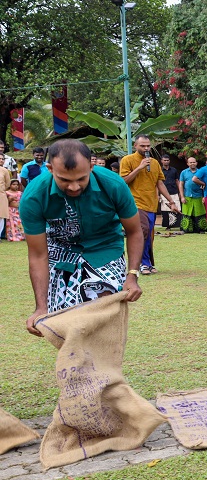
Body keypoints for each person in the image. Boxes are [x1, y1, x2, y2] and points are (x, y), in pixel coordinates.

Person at [20, 139, 143, 334]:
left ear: (91, 167)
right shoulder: (34, 196)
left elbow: (135, 231)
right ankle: (74, 363)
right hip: (60, 252)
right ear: (50, 168)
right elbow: (38, 255)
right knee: (64, 324)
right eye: (65, 180)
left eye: (81, 179)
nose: (74, 187)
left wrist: (132, 275)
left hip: (105, 249)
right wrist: (41, 307)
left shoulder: (113, 185)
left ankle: (102, 361)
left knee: (101, 313)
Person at [120, 135, 179, 275]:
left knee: (149, 236)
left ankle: (147, 263)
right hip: (135, 202)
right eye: (143, 146)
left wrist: (171, 202)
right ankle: (141, 264)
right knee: (143, 231)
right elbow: (123, 180)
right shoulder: (127, 160)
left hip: (151, 204)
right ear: (135, 146)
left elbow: (159, 183)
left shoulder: (154, 163)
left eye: (148, 146)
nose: (146, 148)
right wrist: (139, 168)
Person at [177, 157, 207, 234]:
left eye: (194, 162)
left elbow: (205, 184)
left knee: (199, 212)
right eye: (190, 162)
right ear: (187, 164)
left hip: (199, 196)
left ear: (196, 163)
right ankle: (186, 229)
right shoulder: (184, 172)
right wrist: (182, 196)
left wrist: (204, 196)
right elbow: (181, 184)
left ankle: (201, 229)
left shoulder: (200, 172)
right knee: (187, 212)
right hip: (187, 196)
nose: (192, 164)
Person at [158, 154, 182, 231]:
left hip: (174, 191)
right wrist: (158, 194)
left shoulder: (174, 170)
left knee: (176, 208)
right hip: (164, 193)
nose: (166, 162)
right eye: (164, 160)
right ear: (161, 161)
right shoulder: (160, 170)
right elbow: (157, 183)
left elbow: (177, 181)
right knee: (165, 210)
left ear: (169, 161)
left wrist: (180, 192)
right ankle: (168, 226)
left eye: (167, 160)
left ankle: (176, 225)